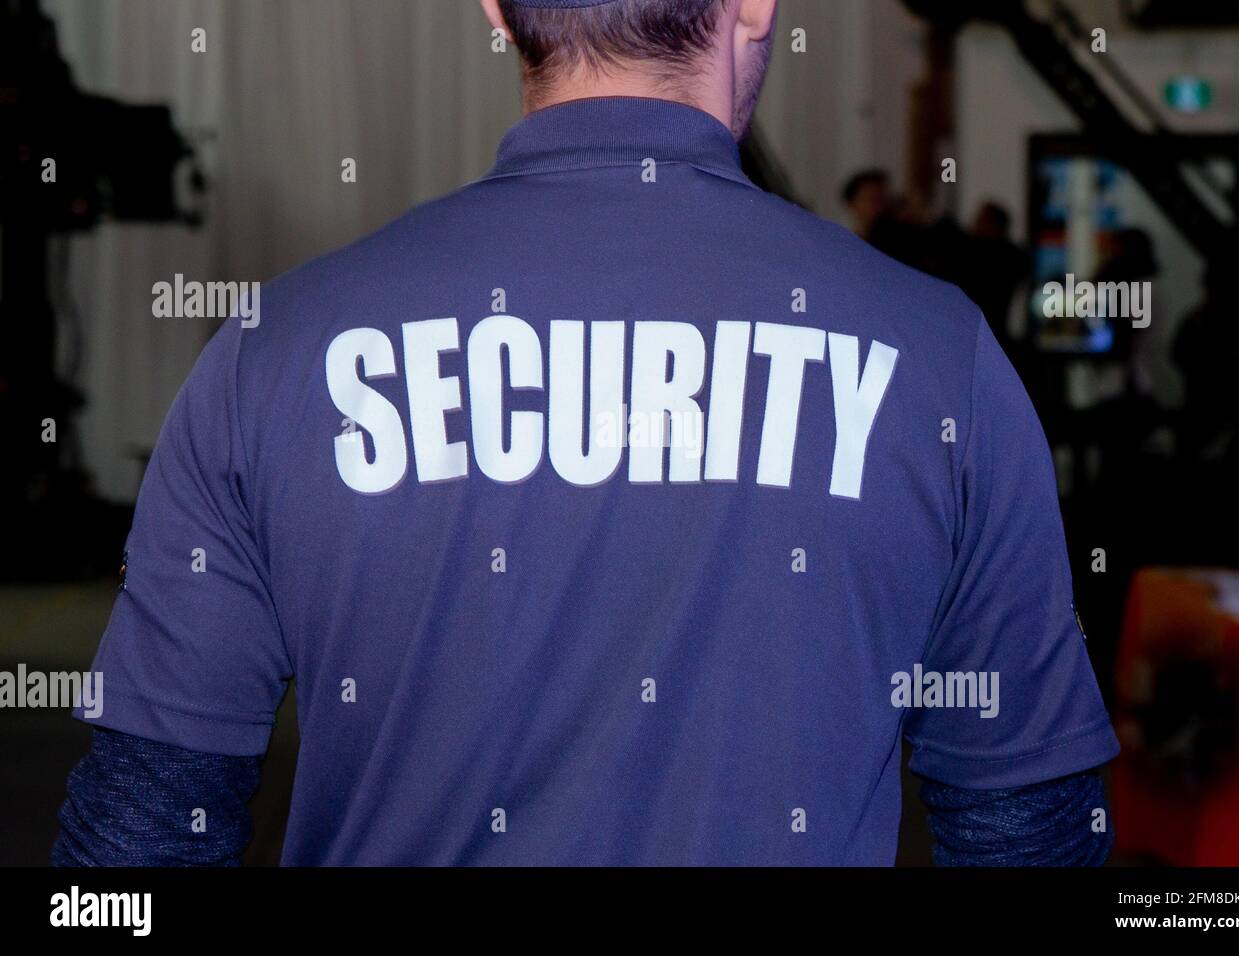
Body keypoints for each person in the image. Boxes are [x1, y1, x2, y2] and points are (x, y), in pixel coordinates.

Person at [54, 0, 1118, 866]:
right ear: (752, 7)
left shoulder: (269, 350)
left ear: (496, 10)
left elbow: (144, 833)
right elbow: (1022, 823)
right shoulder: (941, 356)